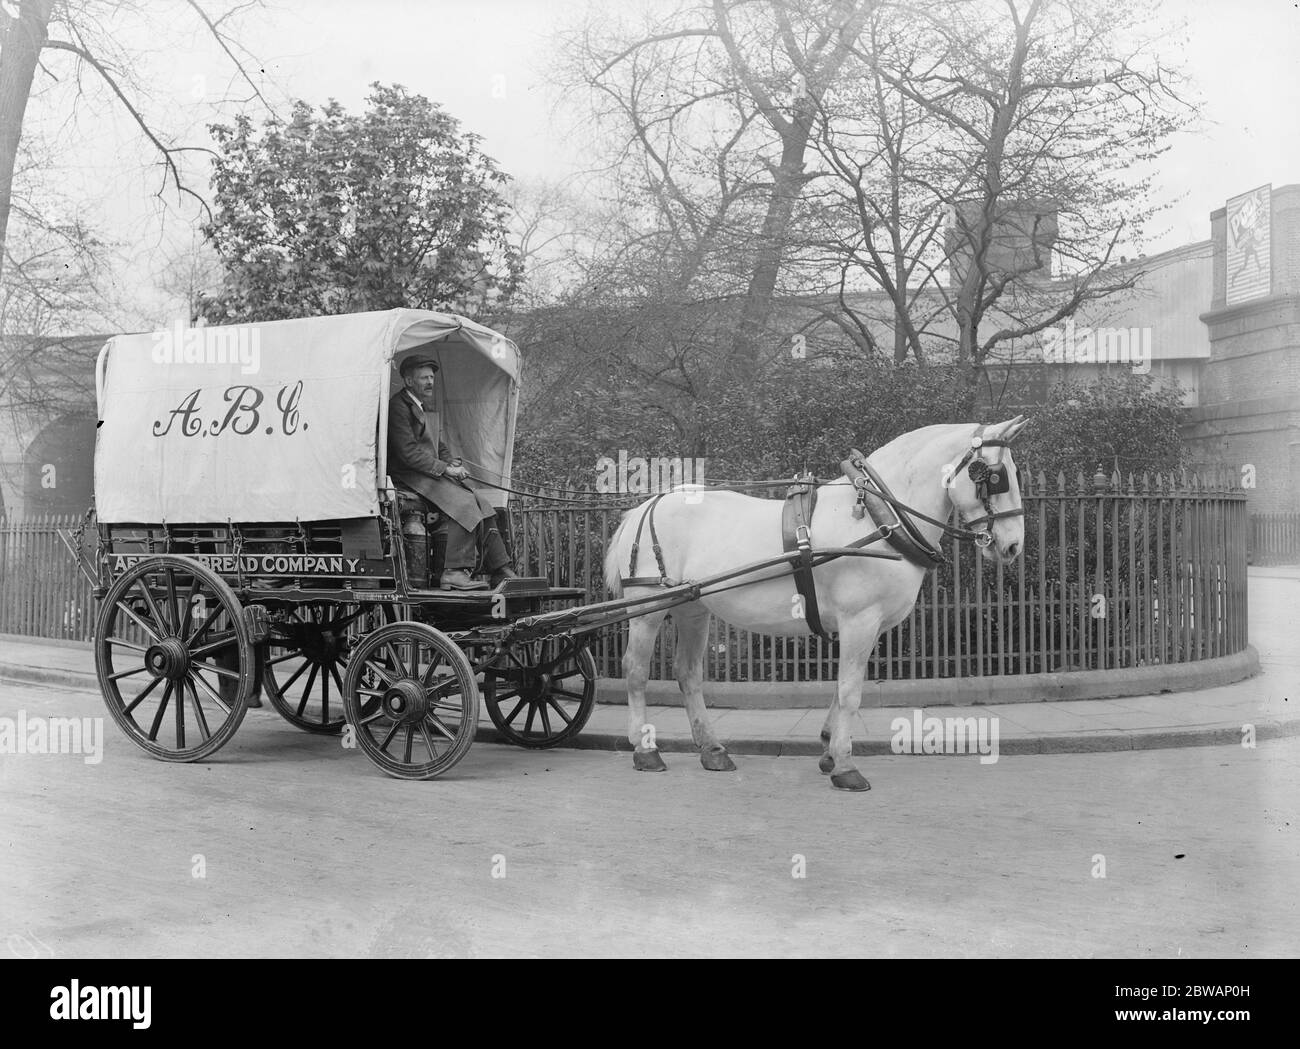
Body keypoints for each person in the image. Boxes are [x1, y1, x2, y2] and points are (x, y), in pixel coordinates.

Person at [387, 355, 518, 590]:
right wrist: (444, 468)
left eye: (431, 377)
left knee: (483, 505)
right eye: (423, 378)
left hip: (427, 473)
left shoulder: (420, 406)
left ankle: (500, 569)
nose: (430, 382)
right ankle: (453, 572)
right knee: (464, 504)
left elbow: (439, 445)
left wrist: (452, 464)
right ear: (408, 381)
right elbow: (406, 453)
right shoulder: (398, 407)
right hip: (408, 476)